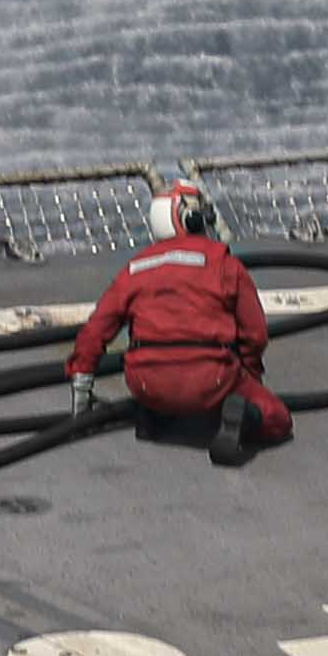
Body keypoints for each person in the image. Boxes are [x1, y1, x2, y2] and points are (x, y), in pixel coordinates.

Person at [66, 179, 289, 460]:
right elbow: (255, 333)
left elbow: (94, 331)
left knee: (160, 391)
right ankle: (242, 418)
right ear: (190, 219)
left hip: (146, 382)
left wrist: (82, 395)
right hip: (211, 379)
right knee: (276, 416)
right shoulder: (224, 264)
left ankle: (155, 413)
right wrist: (250, 377)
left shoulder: (135, 268)